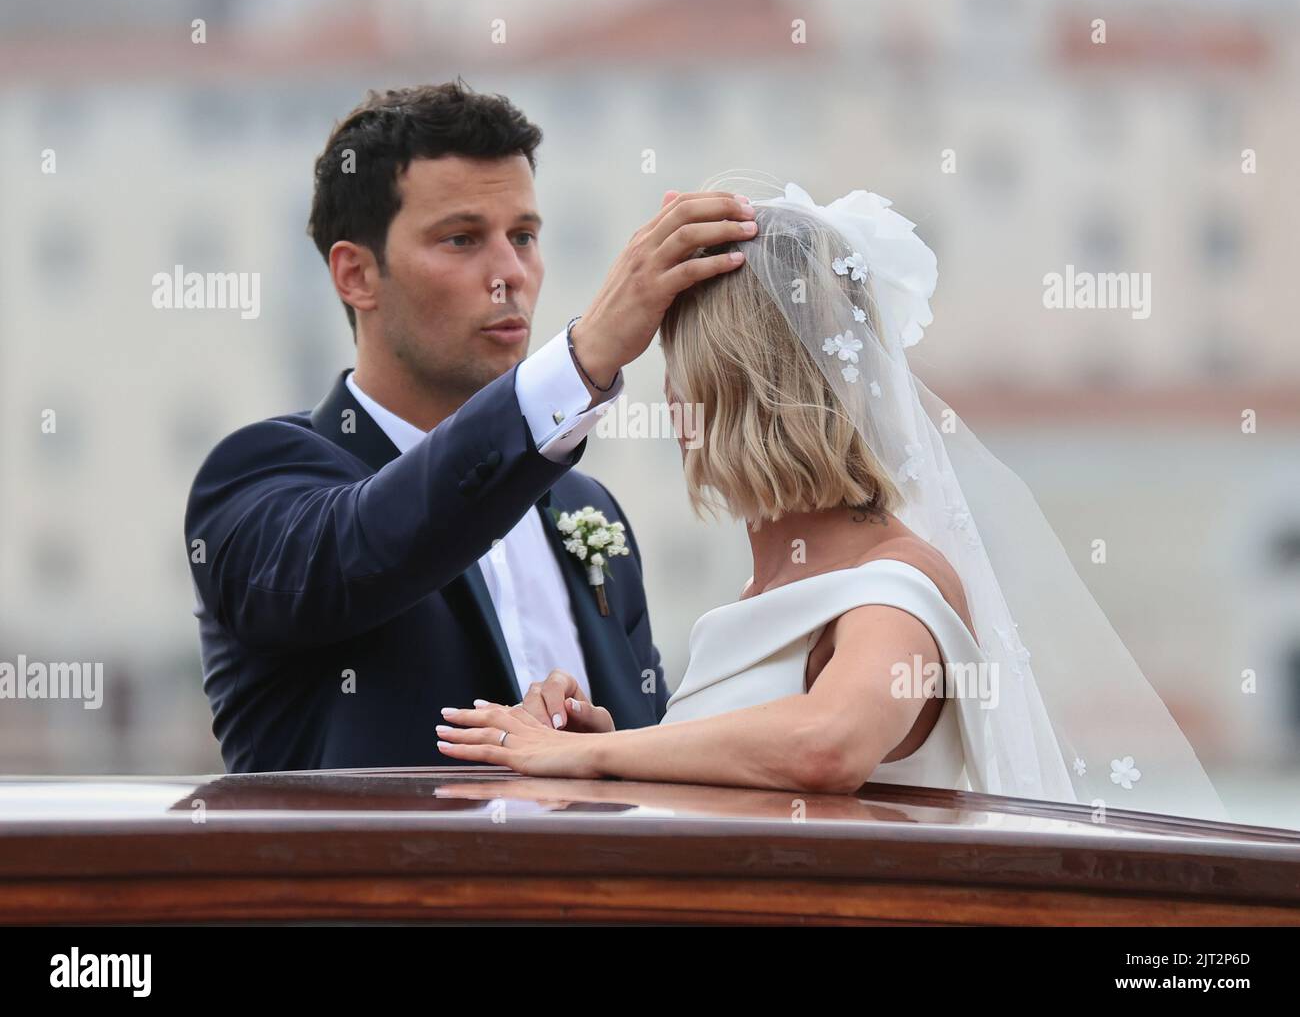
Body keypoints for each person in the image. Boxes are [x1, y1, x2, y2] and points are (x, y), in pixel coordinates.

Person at [438, 176, 1231, 824]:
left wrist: (583, 757)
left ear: (724, 392)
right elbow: (758, 788)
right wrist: (618, 752)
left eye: (681, 369)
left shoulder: (895, 589)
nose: (671, 401)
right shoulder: (774, 591)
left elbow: (830, 744)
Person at [185, 80, 754, 772]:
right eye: (461, 240)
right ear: (356, 274)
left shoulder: (586, 509)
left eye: (524, 236)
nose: (509, 273)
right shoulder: (255, 478)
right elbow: (371, 543)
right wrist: (584, 357)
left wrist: (605, 759)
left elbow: (653, 779)